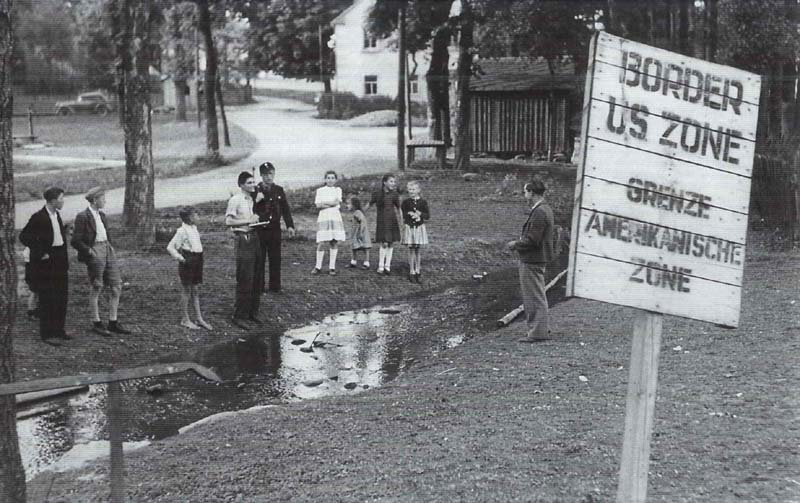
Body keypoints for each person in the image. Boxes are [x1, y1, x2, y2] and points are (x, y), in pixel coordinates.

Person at [71, 186, 132, 337]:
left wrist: (110, 247)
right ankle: (96, 322)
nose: (105, 201)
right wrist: (89, 251)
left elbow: (106, 233)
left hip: (107, 249)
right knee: (97, 286)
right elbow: (75, 240)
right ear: (95, 200)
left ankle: (113, 321)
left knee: (116, 286)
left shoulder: (102, 215)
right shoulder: (83, 216)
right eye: (103, 198)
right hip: (95, 250)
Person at [19, 187, 71, 344]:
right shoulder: (39, 217)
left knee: (61, 296)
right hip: (46, 262)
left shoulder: (57, 215)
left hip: (59, 260)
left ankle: (59, 330)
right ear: (53, 200)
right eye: (61, 198)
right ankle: (47, 334)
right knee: (47, 296)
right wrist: (41, 252)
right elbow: (24, 236)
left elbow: (56, 237)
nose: (63, 201)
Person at [507, 180, 554, 342]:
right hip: (538, 258)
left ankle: (537, 332)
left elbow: (533, 240)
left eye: (525, 192)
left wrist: (516, 244)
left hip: (533, 259)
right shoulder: (544, 209)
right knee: (538, 294)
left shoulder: (539, 212)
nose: (524, 195)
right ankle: (540, 328)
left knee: (533, 296)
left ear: (532, 193)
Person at [225, 171, 263, 329]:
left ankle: (252, 312)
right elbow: (228, 221)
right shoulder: (236, 199)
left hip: (254, 237)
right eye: (249, 183)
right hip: (243, 239)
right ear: (241, 185)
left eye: (253, 182)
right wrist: (248, 220)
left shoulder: (250, 200)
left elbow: (249, 219)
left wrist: (255, 219)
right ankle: (239, 316)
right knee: (245, 277)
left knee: (257, 277)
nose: (253, 185)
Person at [167, 206, 213, 330]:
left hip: (198, 259)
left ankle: (199, 318)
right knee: (186, 290)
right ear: (190, 218)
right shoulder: (181, 231)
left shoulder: (194, 229)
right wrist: (181, 259)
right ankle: (185, 318)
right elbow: (170, 247)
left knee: (195, 289)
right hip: (188, 260)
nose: (198, 217)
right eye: (196, 215)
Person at [253, 162, 295, 293]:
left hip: (275, 229)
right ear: (261, 175)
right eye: (265, 174)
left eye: (271, 174)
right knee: (260, 259)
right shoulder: (255, 190)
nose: (268, 177)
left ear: (274, 174)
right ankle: (259, 286)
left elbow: (285, 209)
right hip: (260, 229)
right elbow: (249, 210)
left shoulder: (279, 190)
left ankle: (275, 286)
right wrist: (256, 200)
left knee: (275, 258)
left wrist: (290, 226)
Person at [312, 170, 346, 275]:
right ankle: (318, 266)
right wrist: (330, 204)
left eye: (332, 178)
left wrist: (325, 203)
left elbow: (336, 202)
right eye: (328, 178)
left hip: (335, 216)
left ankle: (332, 267)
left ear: (335, 180)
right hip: (324, 216)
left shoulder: (338, 190)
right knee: (322, 242)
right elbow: (318, 205)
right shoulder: (320, 190)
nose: (330, 180)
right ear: (325, 179)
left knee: (334, 241)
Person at [368, 174, 402, 275]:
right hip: (382, 222)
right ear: (384, 182)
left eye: (394, 182)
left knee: (390, 242)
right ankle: (381, 266)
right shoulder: (377, 194)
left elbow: (399, 207)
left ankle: (387, 266)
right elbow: (369, 204)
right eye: (391, 181)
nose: (393, 184)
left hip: (392, 221)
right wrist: (360, 212)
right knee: (384, 243)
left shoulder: (394, 194)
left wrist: (402, 219)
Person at [400, 181, 430, 283]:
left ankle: (418, 270)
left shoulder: (423, 202)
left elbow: (427, 215)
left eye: (413, 189)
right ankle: (411, 271)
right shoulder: (406, 202)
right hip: (410, 227)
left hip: (419, 227)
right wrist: (409, 214)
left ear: (418, 190)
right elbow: (403, 214)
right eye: (410, 189)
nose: (411, 191)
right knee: (411, 249)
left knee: (417, 249)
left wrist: (420, 214)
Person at [345, 196, 371, 269]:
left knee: (365, 247)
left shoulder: (357, 212)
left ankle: (366, 263)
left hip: (360, 232)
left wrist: (361, 231)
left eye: (349, 204)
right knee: (353, 246)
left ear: (354, 205)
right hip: (355, 233)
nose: (347, 206)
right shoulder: (355, 213)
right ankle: (353, 261)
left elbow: (362, 221)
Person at [22, 247, 40, 318]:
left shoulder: (28, 248)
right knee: (34, 292)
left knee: (36, 292)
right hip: (33, 273)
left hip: (32, 272)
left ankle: (35, 310)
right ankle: (31, 311)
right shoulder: (30, 249)